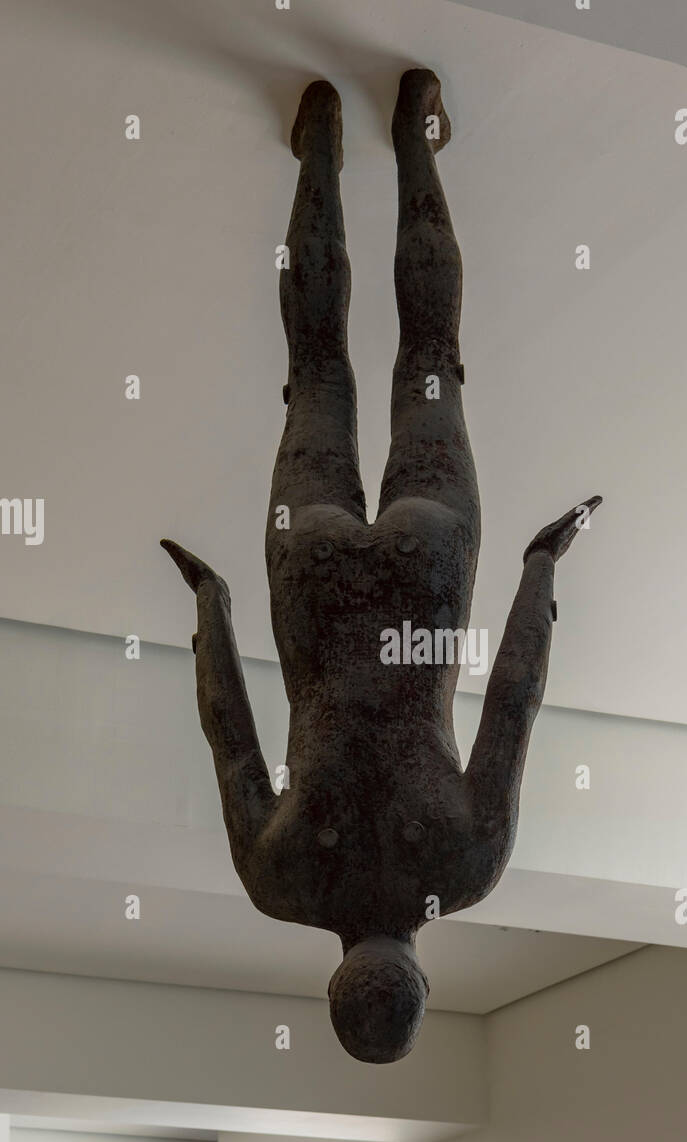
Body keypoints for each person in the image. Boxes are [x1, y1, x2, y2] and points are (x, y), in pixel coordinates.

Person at [162, 70, 601, 1063]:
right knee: (317, 363)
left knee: (431, 351)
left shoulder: (467, 866)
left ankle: (415, 138)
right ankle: (318, 143)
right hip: (314, 578)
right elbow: (225, 727)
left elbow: (517, 700)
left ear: (418, 979)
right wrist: (212, 605)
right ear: (334, 983)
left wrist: (540, 567)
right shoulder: (281, 882)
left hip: (424, 568)